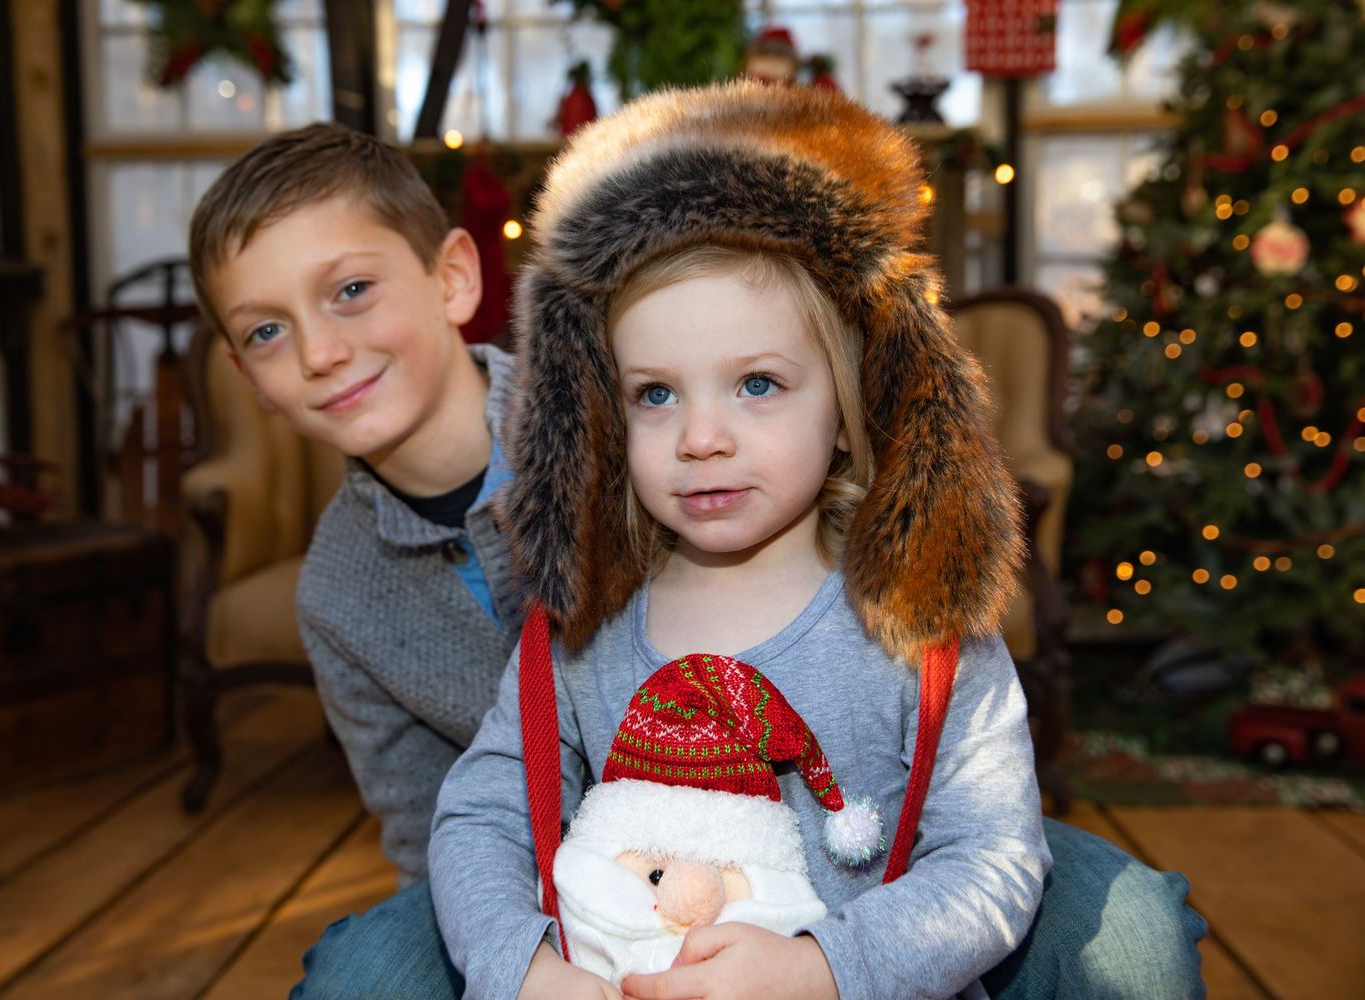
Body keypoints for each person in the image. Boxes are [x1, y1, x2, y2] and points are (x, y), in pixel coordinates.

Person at [184, 118, 1207, 999]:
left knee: (1129, 931)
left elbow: (984, 844)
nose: (321, 350)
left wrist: (826, 964)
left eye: (351, 290)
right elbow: (448, 820)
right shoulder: (446, 596)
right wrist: (533, 951)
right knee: (362, 968)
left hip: (872, 867)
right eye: (656, 398)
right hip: (596, 881)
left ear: (455, 277)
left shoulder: (602, 377)